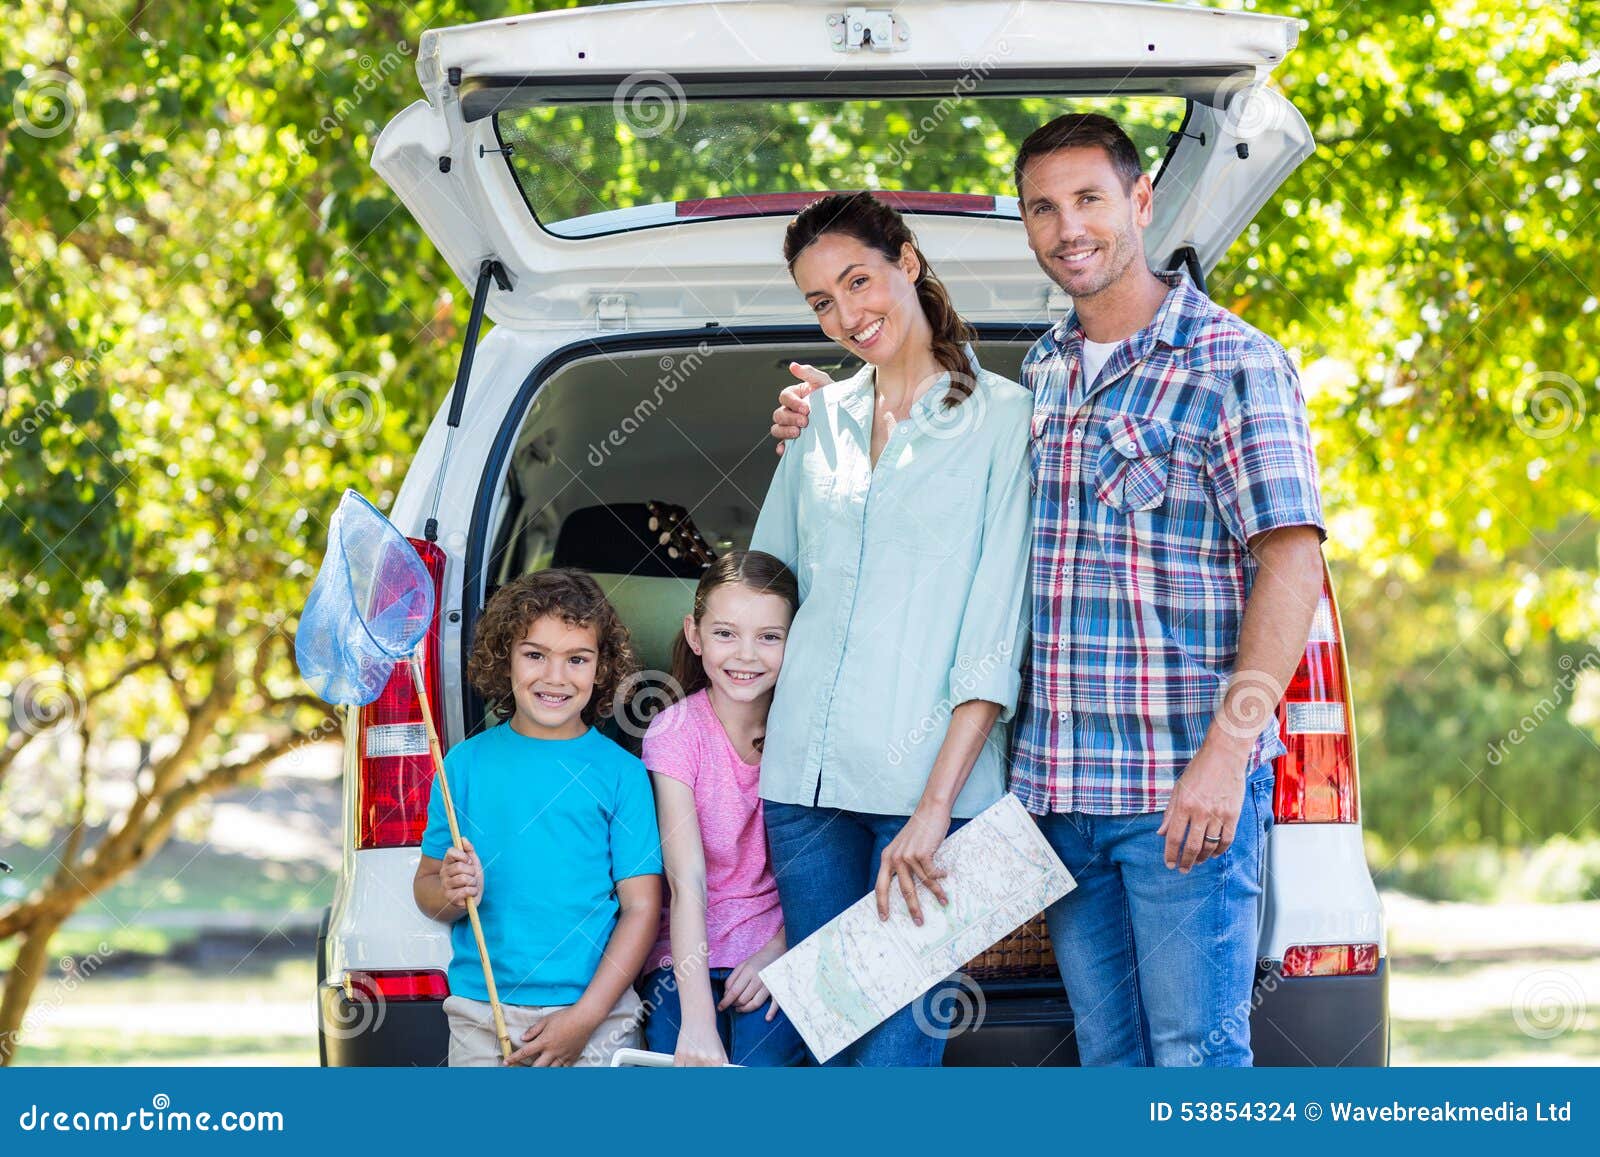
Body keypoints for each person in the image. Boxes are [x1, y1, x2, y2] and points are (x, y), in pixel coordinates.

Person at [769, 115, 1328, 1067]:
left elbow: (1295, 562)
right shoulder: (1047, 371)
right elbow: (919, 480)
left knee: (1197, 1054)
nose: (1068, 226)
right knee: (1109, 1054)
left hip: (1177, 789)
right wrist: (832, 407)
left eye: (1089, 199)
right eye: (1043, 207)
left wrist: (1228, 753)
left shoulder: (1235, 362)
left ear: (1140, 202)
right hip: (1057, 796)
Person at [751, 191, 1033, 1066]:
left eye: (858, 280)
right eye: (821, 302)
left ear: (907, 262)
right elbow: (766, 597)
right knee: (831, 1050)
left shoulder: (1007, 420)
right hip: (804, 790)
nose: (846, 314)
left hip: (930, 797)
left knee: (894, 1068)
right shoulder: (816, 420)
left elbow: (996, 634)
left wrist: (936, 810)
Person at [412, 569, 663, 1067]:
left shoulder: (623, 775)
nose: (555, 677)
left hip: (599, 1016)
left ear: (601, 668)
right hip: (483, 1015)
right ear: (504, 658)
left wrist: (586, 1017)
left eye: (577, 659)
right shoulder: (462, 765)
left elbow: (641, 910)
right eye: (534, 655)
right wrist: (452, 892)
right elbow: (427, 890)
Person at [639, 551, 809, 1067]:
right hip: (681, 955)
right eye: (726, 634)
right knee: (683, 1061)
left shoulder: (805, 732)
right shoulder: (674, 732)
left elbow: (822, 872)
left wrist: (780, 950)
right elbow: (686, 881)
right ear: (695, 635)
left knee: (763, 1066)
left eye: (769, 637)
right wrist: (697, 1023)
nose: (747, 655)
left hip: (779, 942)